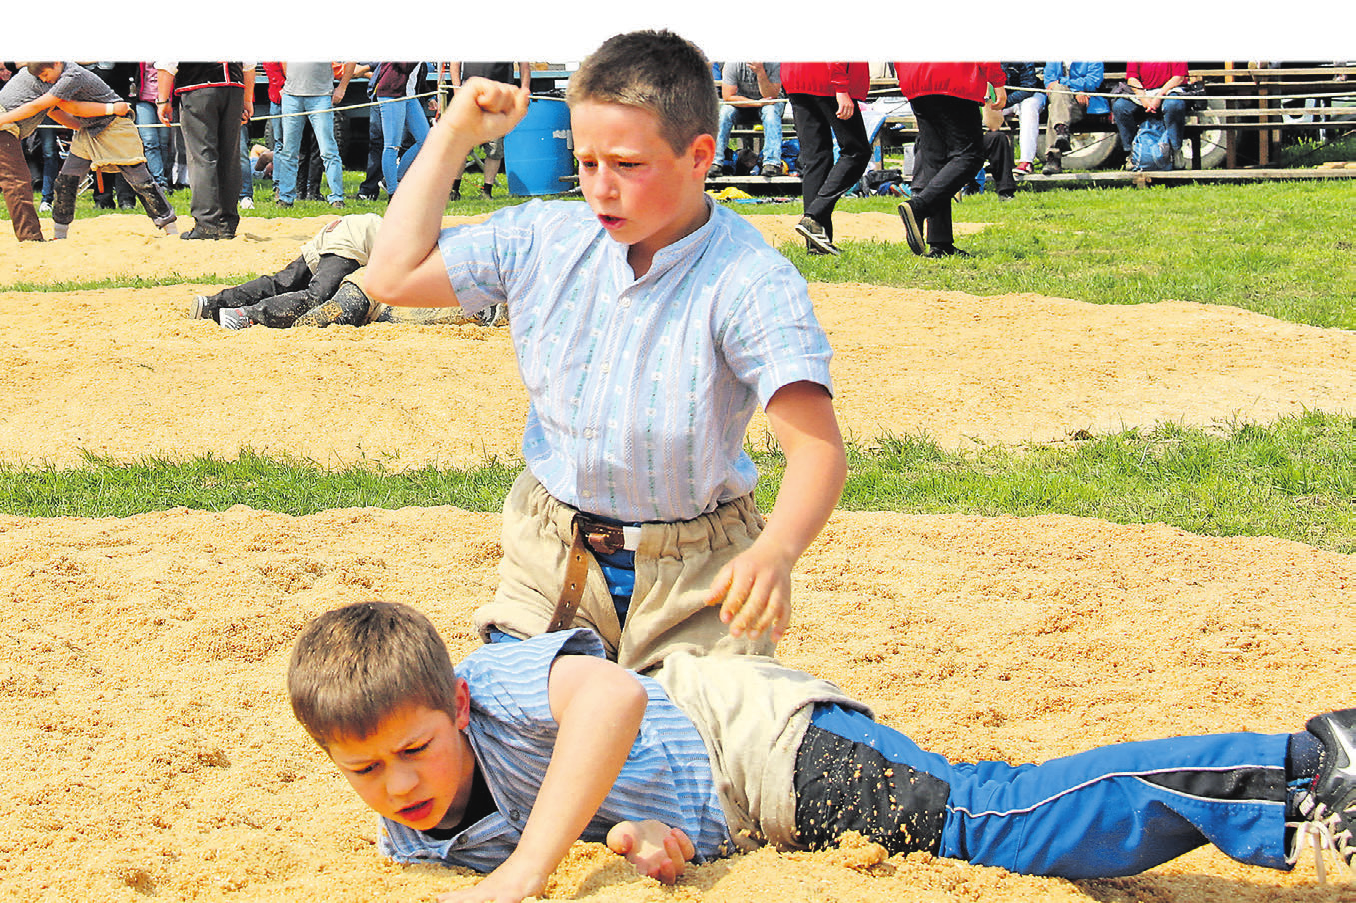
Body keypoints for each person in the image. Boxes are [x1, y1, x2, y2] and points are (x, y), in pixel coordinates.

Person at [288, 599, 1356, 903]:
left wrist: (528, 871)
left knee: (990, 819)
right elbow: (575, 816)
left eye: (413, 749)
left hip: (750, 739)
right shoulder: (413, 843)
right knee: (990, 820)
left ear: (457, 706)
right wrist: (630, 838)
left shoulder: (498, 681)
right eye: (362, 770)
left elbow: (610, 695)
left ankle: (1303, 773)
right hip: (731, 819)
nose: (399, 783)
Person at [364, 30, 846, 674]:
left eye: (626, 164)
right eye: (587, 162)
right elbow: (391, 275)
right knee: (518, 715)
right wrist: (453, 135)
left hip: (698, 573)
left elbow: (816, 450)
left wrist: (776, 552)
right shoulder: (546, 239)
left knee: (689, 733)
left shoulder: (749, 279)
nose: (600, 188)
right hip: (552, 553)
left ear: (700, 156)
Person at [0, 62, 178, 240]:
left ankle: (170, 226)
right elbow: (58, 111)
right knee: (66, 180)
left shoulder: (70, 76)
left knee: (139, 177)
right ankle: (59, 235)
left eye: (45, 75)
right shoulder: (49, 78)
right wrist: (83, 127)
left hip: (113, 124)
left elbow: (69, 108)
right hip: (89, 127)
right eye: (41, 77)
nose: (44, 79)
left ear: (56, 64)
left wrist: (112, 109)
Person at [190, 212, 383, 329]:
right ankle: (247, 316)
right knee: (317, 297)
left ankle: (212, 304)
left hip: (346, 227)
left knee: (282, 283)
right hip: (357, 238)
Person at [894, 62, 1006, 259]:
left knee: (935, 161)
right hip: (954, 77)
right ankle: (919, 207)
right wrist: (997, 82)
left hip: (915, 79)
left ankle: (940, 243)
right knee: (970, 156)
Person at [781, 62, 871, 256]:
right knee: (857, 151)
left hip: (795, 78)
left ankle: (816, 244)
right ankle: (813, 215)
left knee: (816, 159)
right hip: (826, 78)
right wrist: (841, 87)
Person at [156, 61, 254, 239]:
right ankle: (226, 224)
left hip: (198, 87)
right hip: (233, 88)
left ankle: (207, 223)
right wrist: (247, 99)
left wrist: (162, 100)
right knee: (229, 158)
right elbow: (249, 65)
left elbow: (167, 63)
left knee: (202, 157)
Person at [444, 62, 531, 201]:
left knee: (495, 148)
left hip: (500, 94)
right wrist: (457, 90)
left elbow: (524, 64)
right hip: (471, 93)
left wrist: (525, 90)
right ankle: (454, 190)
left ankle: (487, 191)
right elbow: (455, 63)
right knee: (461, 145)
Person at [276, 61, 353, 208]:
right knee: (289, 151)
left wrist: (342, 87)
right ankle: (285, 198)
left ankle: (337, 197)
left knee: (328, 150)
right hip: (292, 97)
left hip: (321, 96)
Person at [0, 65, 57, 241]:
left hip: (6, 123)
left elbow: (60, 112)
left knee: (16, 180)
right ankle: (30, 237)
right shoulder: (65, 75)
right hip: (3, 125)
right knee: (16, 181)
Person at [712, 62, 786, 179]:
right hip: (742, 104)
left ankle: (771, 163)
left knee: (771, 113)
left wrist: (760, 72)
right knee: (725, 112)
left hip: (769, 104)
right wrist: (756, 103)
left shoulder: (774, 64)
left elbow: (771, 96)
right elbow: (728, 97)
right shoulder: (733, 63)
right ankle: (715, 162)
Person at [1112, 62, 1189, 170]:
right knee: (1120, 107)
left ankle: (1176, 150)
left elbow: (1179, 78)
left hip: (1169, 90)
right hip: (1143, 92)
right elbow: (1132, 78)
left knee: (1174, 105)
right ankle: (1131, 153)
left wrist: (1159, 96)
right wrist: (1144, 98)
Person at [373, 61, 431, 196]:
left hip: (410, 95)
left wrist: (430, 96)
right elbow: (405, 66)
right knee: (392, 145)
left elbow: (416, 74)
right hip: (391, 94)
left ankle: (395, 179)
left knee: (427, 141)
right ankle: (393, 193)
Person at [1040, 61, 1107, 176]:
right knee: (1057, 96)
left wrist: (1067, 85)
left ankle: (1053, 157)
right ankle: (1061, 130)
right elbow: (1049, 83)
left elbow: (1093, 81)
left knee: (1055, 106)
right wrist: (1075, 90)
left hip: (1084, 103)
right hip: (1060, 102)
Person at [999, 62, 1044, 176]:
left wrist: (1005, 102)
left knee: (1029, 108)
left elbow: (1029, 87)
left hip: (1031, 96)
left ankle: (1026, 162)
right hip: (1003, 100)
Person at [133, 63, 170, 189]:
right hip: (143, 100)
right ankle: (158, 180)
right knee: (149, 141)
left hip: (167, 100)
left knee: (164, 142)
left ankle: (164, 178)